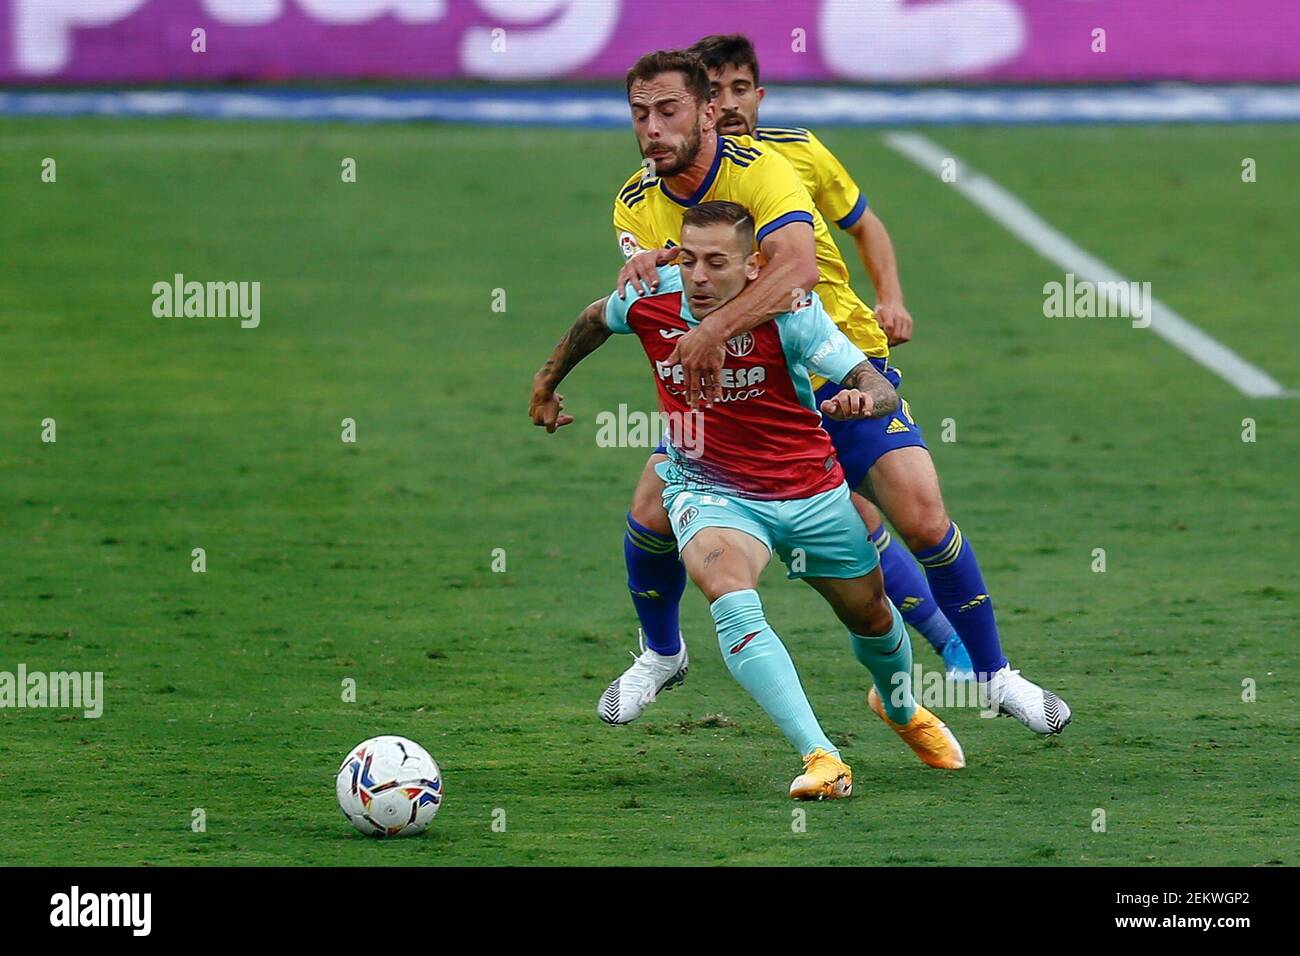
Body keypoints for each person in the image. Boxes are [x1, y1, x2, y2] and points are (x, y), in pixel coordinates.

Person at [530, 201, 966, 798]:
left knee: (871, 616)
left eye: (717, 262)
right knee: (730, 596)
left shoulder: (791, 312)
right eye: (688, 260)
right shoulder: (652, 296)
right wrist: (548, 381)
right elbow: (593, 320)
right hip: (710, 490)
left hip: (810, 490)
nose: (699, 276)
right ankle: (821, 757)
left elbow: (869, 380)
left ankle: (899, 707)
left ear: (754, 266)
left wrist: (862, 401)